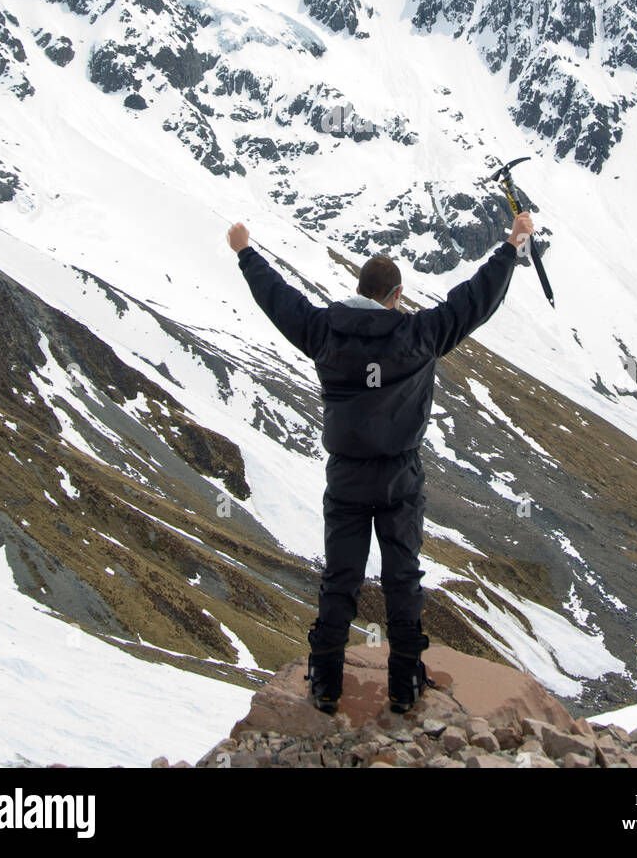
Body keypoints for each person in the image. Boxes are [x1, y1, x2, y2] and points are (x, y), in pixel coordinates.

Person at [226, 209, 534, 713]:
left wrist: (245, 253)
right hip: (399, 477)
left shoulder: (325, 330)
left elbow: (279, 300)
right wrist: (511, 247)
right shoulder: (419, 336)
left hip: (346, 475)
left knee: (340, 578)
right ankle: (404, 686)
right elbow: (475, 300)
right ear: (395, 296)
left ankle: (325, 684)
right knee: (402, 577)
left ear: (358, 289)